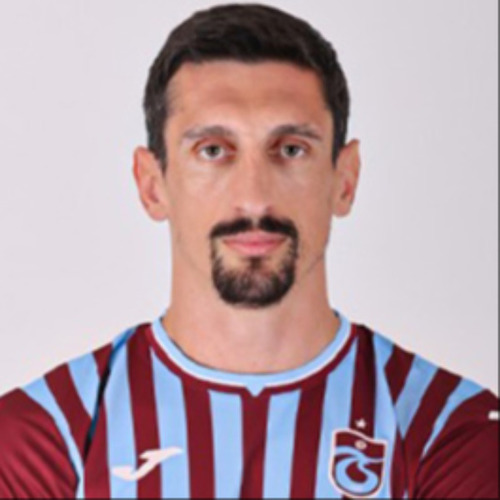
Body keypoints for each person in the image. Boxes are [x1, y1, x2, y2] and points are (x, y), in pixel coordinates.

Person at [0, 3, 497, 499]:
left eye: (291, 149)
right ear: (152, 185)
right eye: (213, 151)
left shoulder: (446, 429)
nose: (254, 197)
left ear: (344, 181)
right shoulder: (45, 437)